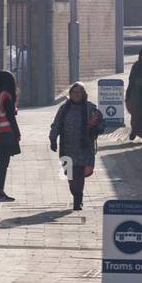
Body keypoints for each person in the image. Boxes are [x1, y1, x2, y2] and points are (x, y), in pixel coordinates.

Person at [51, 82, 104, 211]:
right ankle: (75, 193)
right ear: (70, 94)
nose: (76, 95)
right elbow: (56, 124)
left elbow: (101, 123)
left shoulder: (90, 108)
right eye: (73, 92)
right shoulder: (64, 109)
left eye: (79, 92)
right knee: (70, 175)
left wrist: (96, 130)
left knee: (79, 173)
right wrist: (53, 138)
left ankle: (78, 200)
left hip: (84, 147)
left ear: (83, 94)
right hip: (67, 147)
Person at [0, 70, 22, 202]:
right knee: (3, 164)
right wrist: (17, 133)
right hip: (6, 133)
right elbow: (10, 117)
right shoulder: (5, 96)